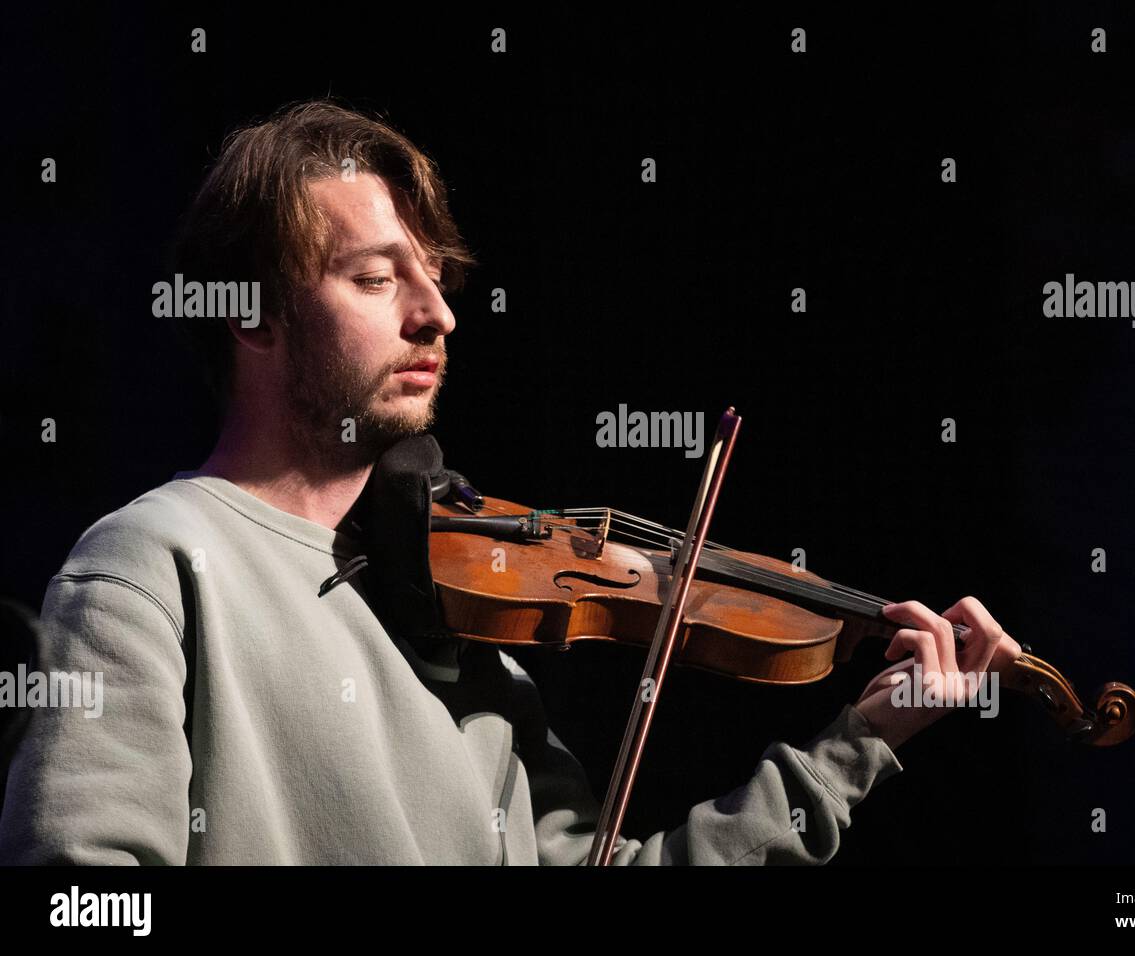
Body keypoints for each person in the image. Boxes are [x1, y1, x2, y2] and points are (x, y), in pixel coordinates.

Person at [0, 100, 1019, 865]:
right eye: (374, 276)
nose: (436, 313)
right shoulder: (153, 560)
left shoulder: (456, 618)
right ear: (253, 314)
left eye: (435, 276)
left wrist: (861, 741)